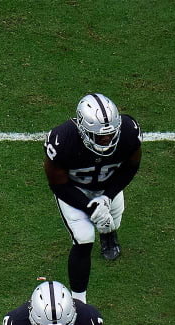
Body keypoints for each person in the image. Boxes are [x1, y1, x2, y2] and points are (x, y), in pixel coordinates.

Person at [43, 93, 142, 300]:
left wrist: (107, 197)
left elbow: (130, 168)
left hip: (108, 187)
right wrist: (90, 207)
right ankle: (79, 300)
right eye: (99, 135)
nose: (106, 139)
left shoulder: (129, 133)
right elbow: (57, 184)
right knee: (84, 239)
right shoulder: (62, 141)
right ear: (81, 128)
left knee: (113, 220)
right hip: (73, 191)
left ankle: (108, 234)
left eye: (110, 133)